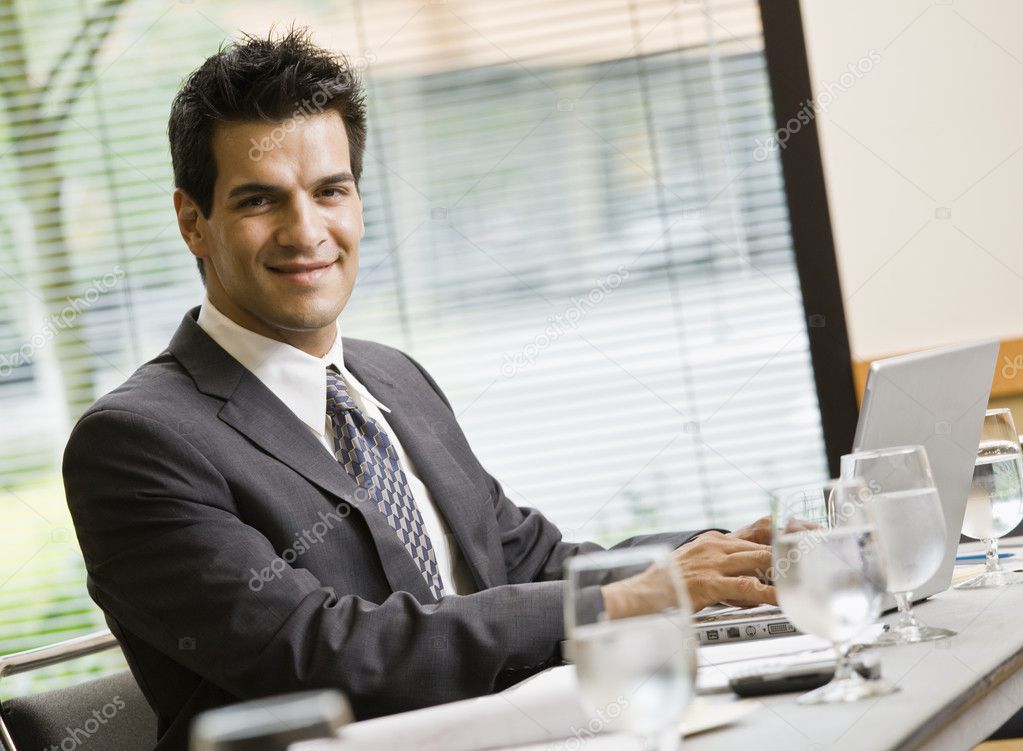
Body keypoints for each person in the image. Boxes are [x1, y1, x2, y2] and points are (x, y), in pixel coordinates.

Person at [62, 28, 776, 750]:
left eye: (330, 190)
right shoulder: (137, 442)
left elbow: (531, 564)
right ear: (194, 223)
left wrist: (721, 554)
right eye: (259, 201)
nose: (305, 230)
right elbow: (314, 654)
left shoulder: (392, 377)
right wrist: (617, 602)